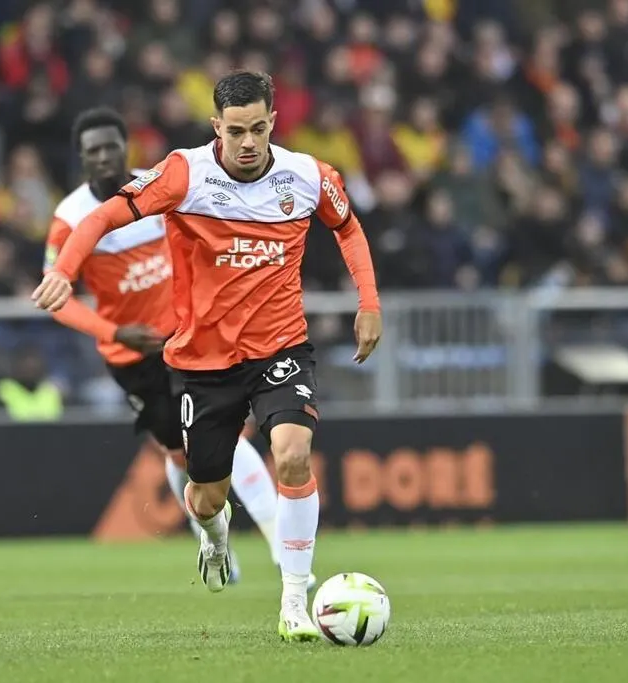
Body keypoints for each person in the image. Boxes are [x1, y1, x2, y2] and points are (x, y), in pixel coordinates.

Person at [33, 72, 382, 642]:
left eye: (259, 129)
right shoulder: (183, 174)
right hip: (202, 360)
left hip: (279, 347)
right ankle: (215, 538)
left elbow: (347, 227)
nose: (248, 142)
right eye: (236, 131)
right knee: (204, 496)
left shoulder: (308, 176)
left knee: (293, 455)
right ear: (216, 126)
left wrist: (369, 302)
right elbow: (102, 218)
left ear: (273, 123)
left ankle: (295, 598)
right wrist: (64, 272)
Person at [44, 107, 311, 588]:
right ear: (81, 158)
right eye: (93, 151)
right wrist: (114, 332)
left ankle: (279, 545)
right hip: (132, 357)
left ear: (125, 147)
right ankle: (208, 535)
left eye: (111, 147)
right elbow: (57, 298)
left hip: (187, 340)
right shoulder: (70, 217)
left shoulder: (159, 188)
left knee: (229, 438)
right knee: (177, 453)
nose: (104, 158)